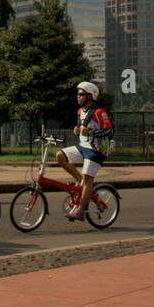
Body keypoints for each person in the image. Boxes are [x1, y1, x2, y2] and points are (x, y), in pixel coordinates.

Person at [54, 81, 114, 220]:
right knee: (60, 156)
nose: (78, 97)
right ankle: (81, 181)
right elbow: (82, 128)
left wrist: (90, 133)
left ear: (90, 96)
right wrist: (77, 130)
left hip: (97, 150)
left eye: (81, 94)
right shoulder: (80, 111)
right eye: (78, 94)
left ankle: (80, 211)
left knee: (88, 179)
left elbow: (109, 130)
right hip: (83, 147)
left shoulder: (99, 112)